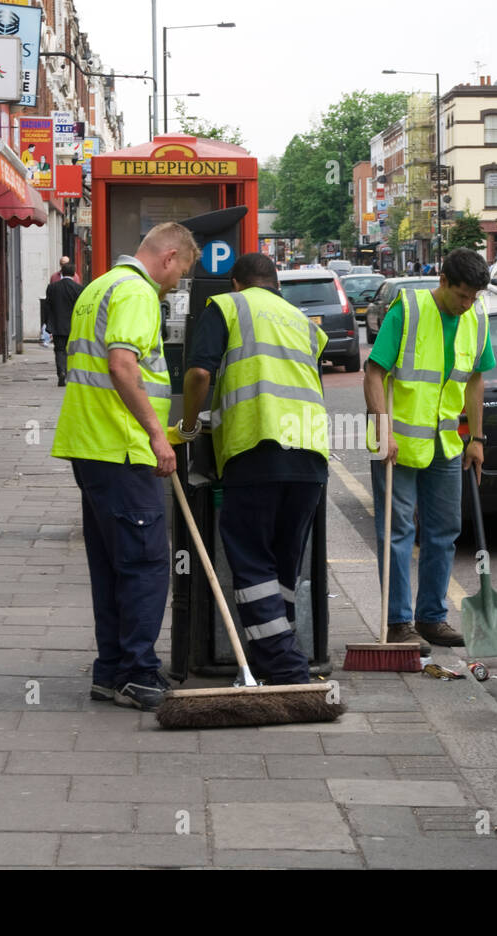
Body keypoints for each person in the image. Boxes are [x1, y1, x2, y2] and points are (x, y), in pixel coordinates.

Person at [51, 222, 198, 711]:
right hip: (124, 447)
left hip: (90, 445)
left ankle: (110, 671)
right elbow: (121, 364)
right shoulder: (136, 292)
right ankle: (137, 673)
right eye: (181, 272)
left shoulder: (98, 286)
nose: (176, 283)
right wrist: (160, 435)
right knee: (145, 565)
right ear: (169, 256)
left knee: (111, 565)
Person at [178, 253, 328, 684]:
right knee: (283, 564)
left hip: (256, 445)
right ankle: (272, 660)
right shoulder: (301, 321)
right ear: (275, 283)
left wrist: (189, 428)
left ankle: (285, 668)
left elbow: (198, 375)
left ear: (236, 283)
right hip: (310, 453)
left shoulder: (228, 306)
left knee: (250, 558)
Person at [363, 248, 496, 654]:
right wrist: (384, 429)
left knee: (444, 532)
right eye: (462, 295)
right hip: (396, 442)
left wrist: (476, 437)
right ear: (443, 281)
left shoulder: (477, 317)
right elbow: (374, 372)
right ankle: (399, 621)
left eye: (474, 296)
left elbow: (474, 380)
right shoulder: (409, 310)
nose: (467, 304)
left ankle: (432, 618)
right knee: (398, 531)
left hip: (445, 443)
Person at [45, 260, 83, 386]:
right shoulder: (79, 289)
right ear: (74, 274)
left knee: (59, 350)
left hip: (57, 325)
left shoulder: (52, 287)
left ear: (61, 273)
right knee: (73, 351)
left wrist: (48, 324)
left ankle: (61, 372)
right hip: (74, 326)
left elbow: (47, 307)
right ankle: (71, 374)